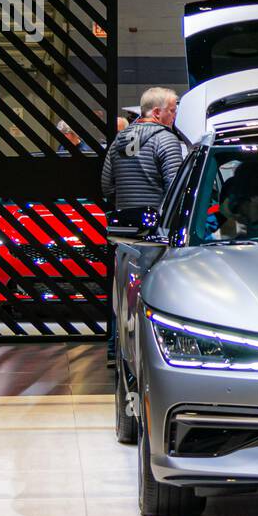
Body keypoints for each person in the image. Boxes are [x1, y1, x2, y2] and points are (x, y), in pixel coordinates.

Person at [100, 87, 183, 365]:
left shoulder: (119, 140)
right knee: (153, 291)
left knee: (122, 289)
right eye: (173, 109)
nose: (175, 115)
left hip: (124, 232)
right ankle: (150, 353)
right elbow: (175, 188)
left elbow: (106, 185)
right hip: (156, 233)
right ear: (157, 112)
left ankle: (115, 350)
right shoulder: (165, 140)